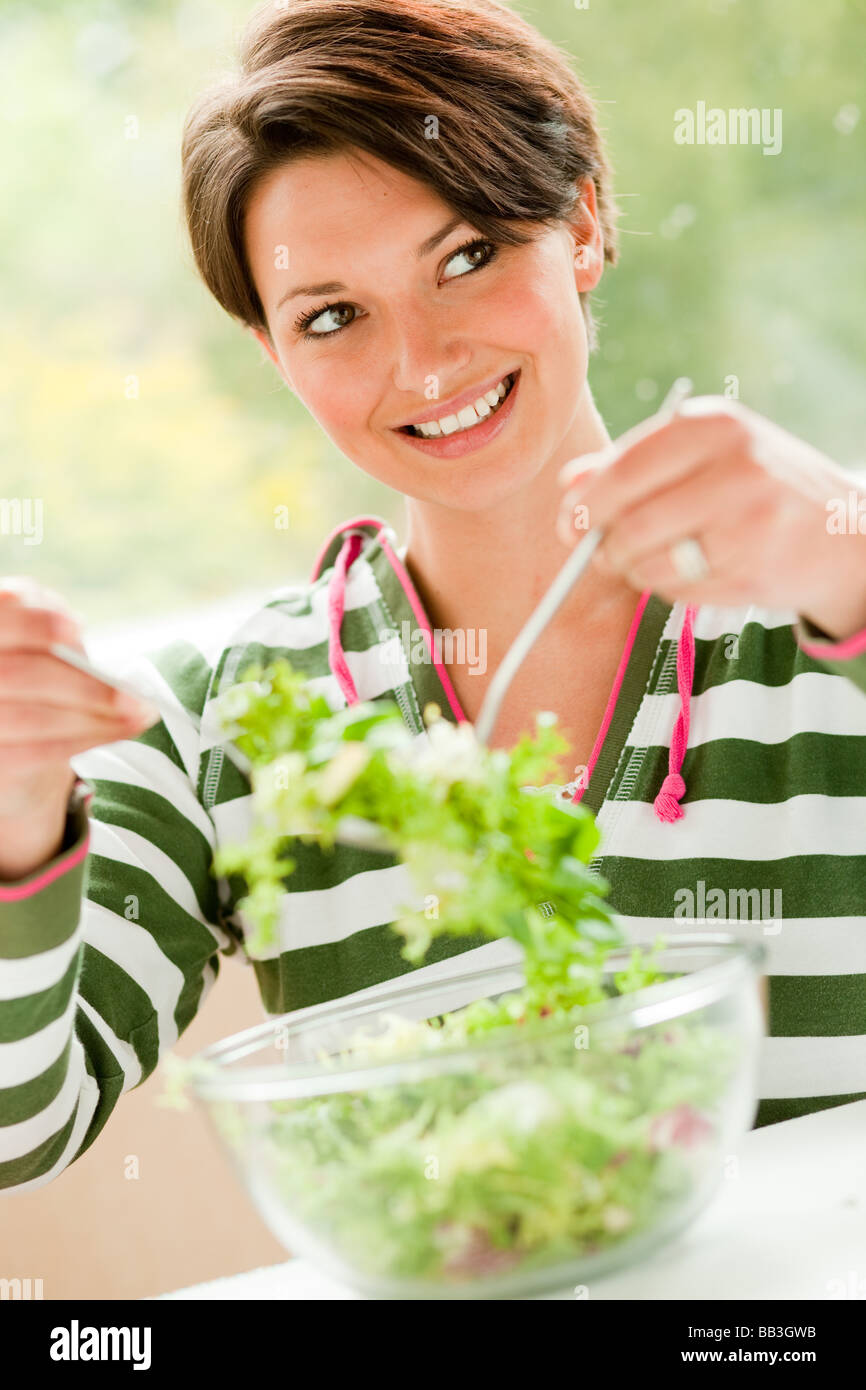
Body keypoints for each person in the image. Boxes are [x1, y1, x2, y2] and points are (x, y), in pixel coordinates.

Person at [1, 0, 865, 1196]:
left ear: (582, 225)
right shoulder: (219, 722)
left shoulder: (818, 583)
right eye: (334, 316)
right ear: (274, 355)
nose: (422, 362)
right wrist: (13, 809)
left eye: (465, 255)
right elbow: (16, 1130)